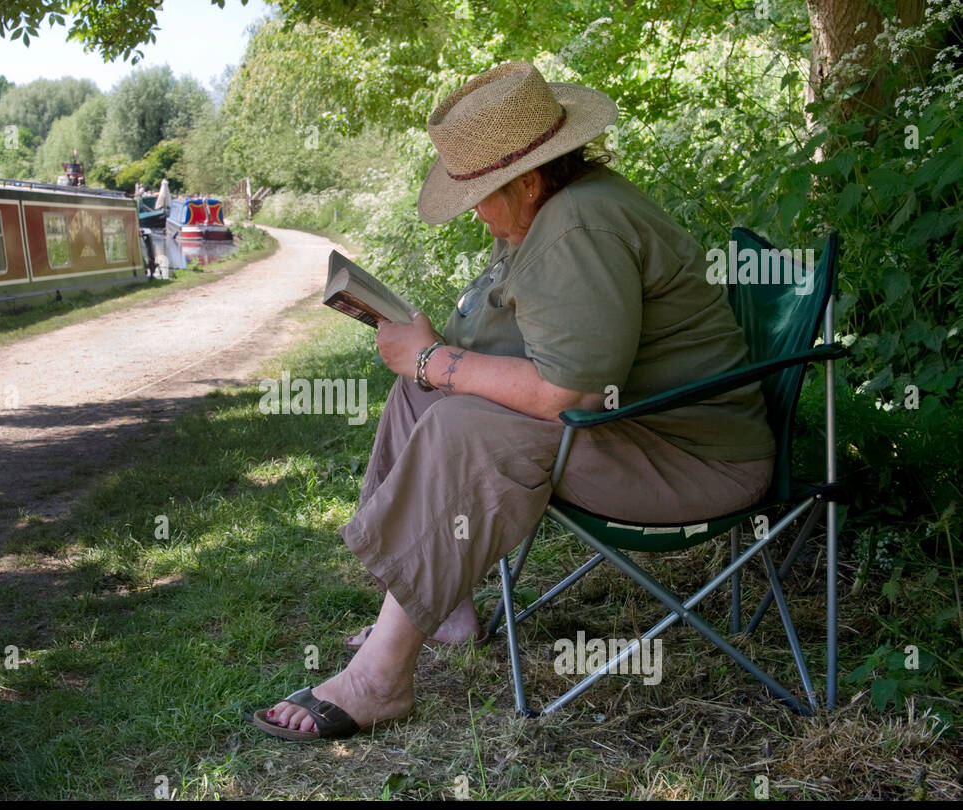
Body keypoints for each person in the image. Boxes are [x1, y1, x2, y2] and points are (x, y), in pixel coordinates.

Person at [253, 62, 776, 741]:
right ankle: (442, 606)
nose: (473, 211)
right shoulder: (558, 212)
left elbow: (574, 393)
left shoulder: (576, 228)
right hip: (645, 431)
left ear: (527, 179)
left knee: (462, 427)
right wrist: (429, 362)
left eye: (479, 192)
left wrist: (437, 360)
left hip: (691, 460)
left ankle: (380, 680)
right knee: (421, 396)